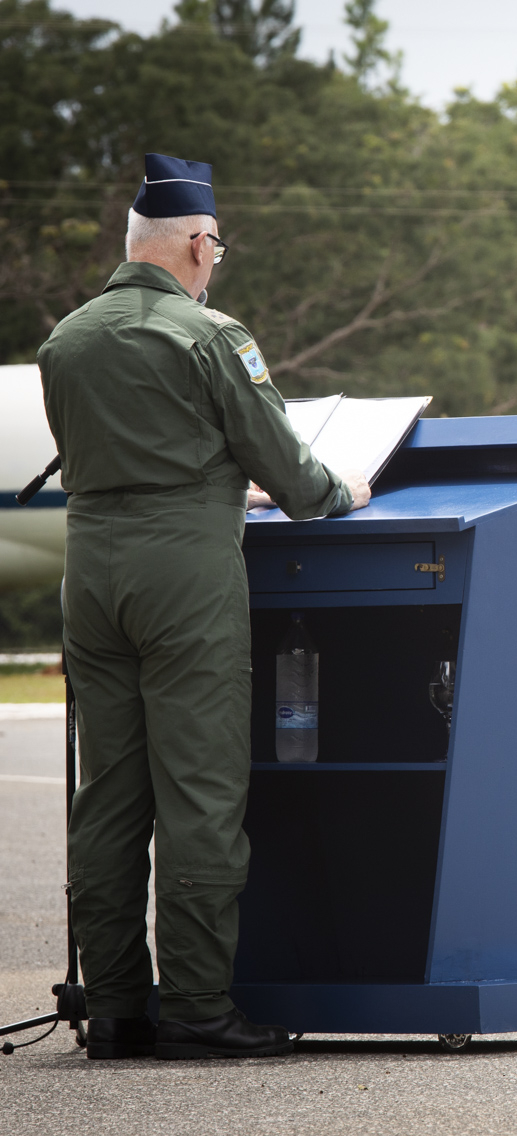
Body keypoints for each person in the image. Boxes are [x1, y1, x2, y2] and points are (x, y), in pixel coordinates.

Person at [37, 154, 372, 1061]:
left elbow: (114, 458)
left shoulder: (64, 341)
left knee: (107, 798)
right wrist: (341, 489)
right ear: (194, 241)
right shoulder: (212, 336)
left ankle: (112, 1007)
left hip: (93, 578)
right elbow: (294, 474)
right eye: (216, 245)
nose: (216, 260)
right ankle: (194, 1005)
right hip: (184, 578)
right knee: (201, 792)